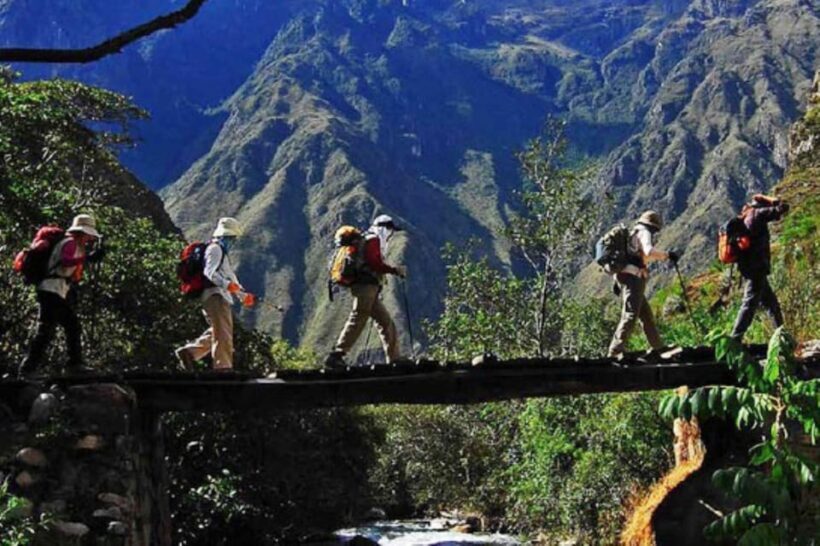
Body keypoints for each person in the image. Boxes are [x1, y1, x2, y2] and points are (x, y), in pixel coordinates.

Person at [18, 214, 105, 377]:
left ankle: (28, 369)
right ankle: (74, 364)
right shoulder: (71, 243)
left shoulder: (72, 243)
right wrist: (88, 258)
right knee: (71, 326)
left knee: (47, 331)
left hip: (52, 289)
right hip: (52, 290)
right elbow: (66, 261)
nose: (90, 239)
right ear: (83, 232)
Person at [325, 215, 407, 368]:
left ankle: (395, 359)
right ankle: (337, 354)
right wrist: (394, 270)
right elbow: (374, 263)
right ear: (385, 228)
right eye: (390, 230)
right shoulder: (373, 239)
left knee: (386, 322)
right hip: (365, 286)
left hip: (367, 287)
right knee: (359, 316)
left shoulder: (366, 238)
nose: (390, 234)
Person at [175, 217, 256, 371]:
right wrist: (227, 286)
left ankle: (189, 352)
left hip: (217, 295)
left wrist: (242, 296)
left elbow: (230, 277)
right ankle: (223, 368)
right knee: (224, 334)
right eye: (231, 238)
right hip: (215, 296)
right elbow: (209, 273)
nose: (232, 241)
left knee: (220, 330)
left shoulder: (220, 252)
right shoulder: (215, 249)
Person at [608, 210, 679, 359]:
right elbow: (648, 251)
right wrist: (667, 255)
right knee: (630, 315)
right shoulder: (644, 232)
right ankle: (615, 351)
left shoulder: (633, 233)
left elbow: (633, 257)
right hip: (634, 279)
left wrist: (616, 279)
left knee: (646, 315)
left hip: (626, 276)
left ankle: (659, 348)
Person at [730, 194, 789, 341]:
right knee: (749, 304)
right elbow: (783, 207)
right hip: (757, 269)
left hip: (749, 268)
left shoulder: (747, 216)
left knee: (771, 304)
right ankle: (735, 339)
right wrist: (769, 198)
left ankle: (781, 336)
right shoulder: (759, 213)